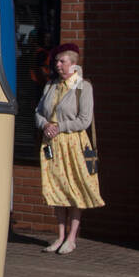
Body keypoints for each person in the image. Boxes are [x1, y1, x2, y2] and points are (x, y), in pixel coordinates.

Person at [35, 42, 103, 254]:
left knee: (75, 188)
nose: (57, 65)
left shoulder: (83, 87)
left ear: (73, 64)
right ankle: (60, 235)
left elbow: (84, 120)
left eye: (62, 61)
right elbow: (38, 111)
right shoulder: (51, 86)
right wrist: (45, 124)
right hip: (53, 145)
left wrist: (59, 126)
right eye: (56, 61)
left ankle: (72, 237)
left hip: (74, 145)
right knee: (58, 189)